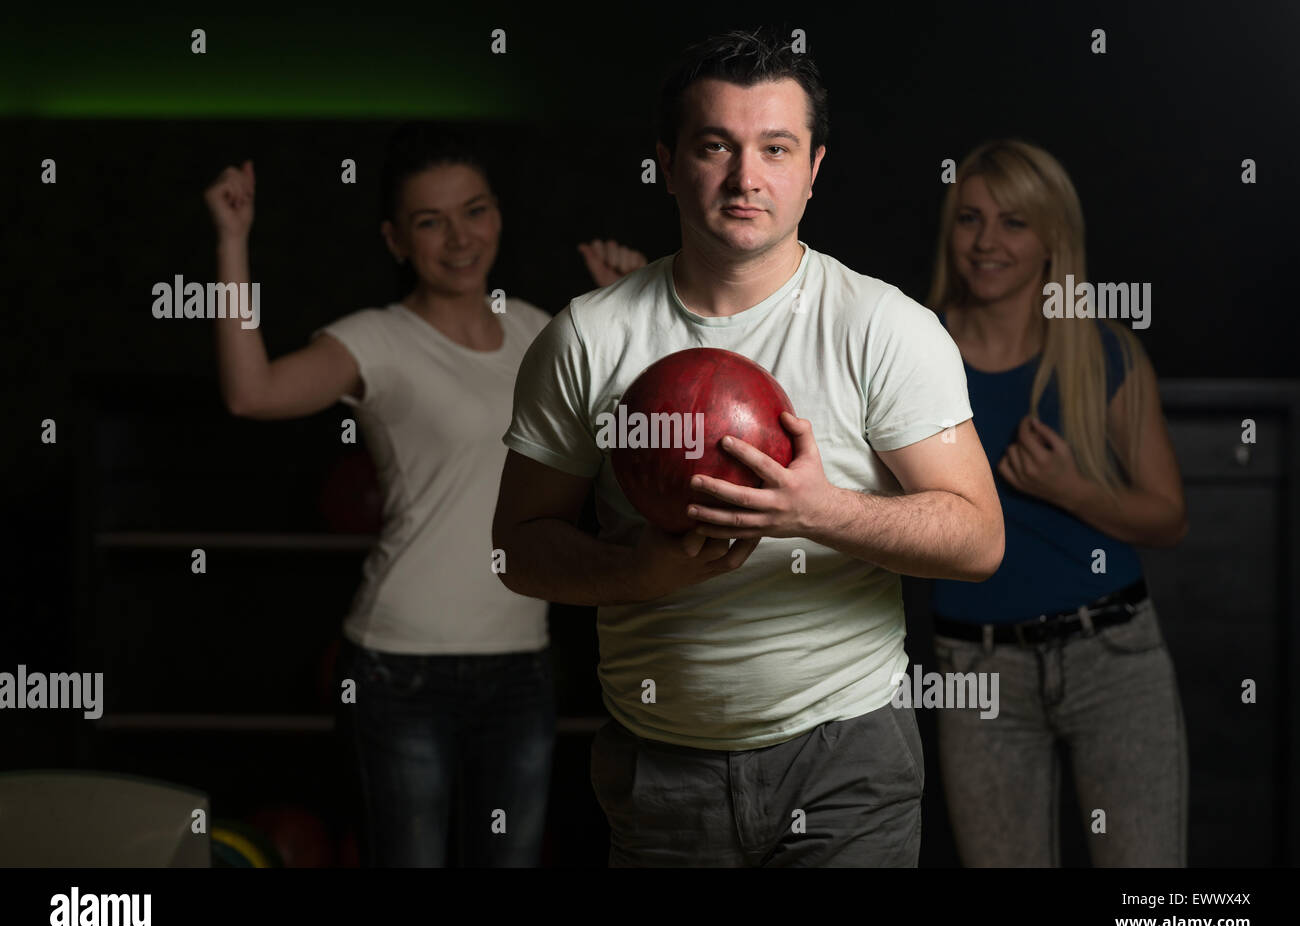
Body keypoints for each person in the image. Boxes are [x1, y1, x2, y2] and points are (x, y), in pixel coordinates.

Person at [492, 28, 1003, 867]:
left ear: (814, 167)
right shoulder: (587, 337)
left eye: (775, 148)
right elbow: (517, 549)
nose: (745, 178)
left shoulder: (884, 328)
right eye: (714, 146)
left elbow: (978, 538)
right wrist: (639, 574)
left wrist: (815, 508)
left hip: (848, 756)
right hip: (660, 766)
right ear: (666, 161)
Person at [203, 123, 645, 867]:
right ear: (396, 239)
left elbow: (637, 454)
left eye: (473, 211)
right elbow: (252, 394)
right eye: (429, 221)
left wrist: (628, 312)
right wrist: (230, 241)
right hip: (398, 669)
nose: (459, 237)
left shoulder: (544, 332)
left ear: (497, 216)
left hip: (521, 667)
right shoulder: (376, 339)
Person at [924, 138, 1190, 866]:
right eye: (969, 218)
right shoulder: (913, 351)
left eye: (1013, 222)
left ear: (1051, 239)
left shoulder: (1103, 352)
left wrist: (1071, 487)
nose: (985, 241)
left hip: (1113, 656)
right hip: (976, 670)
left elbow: (1168, 516)